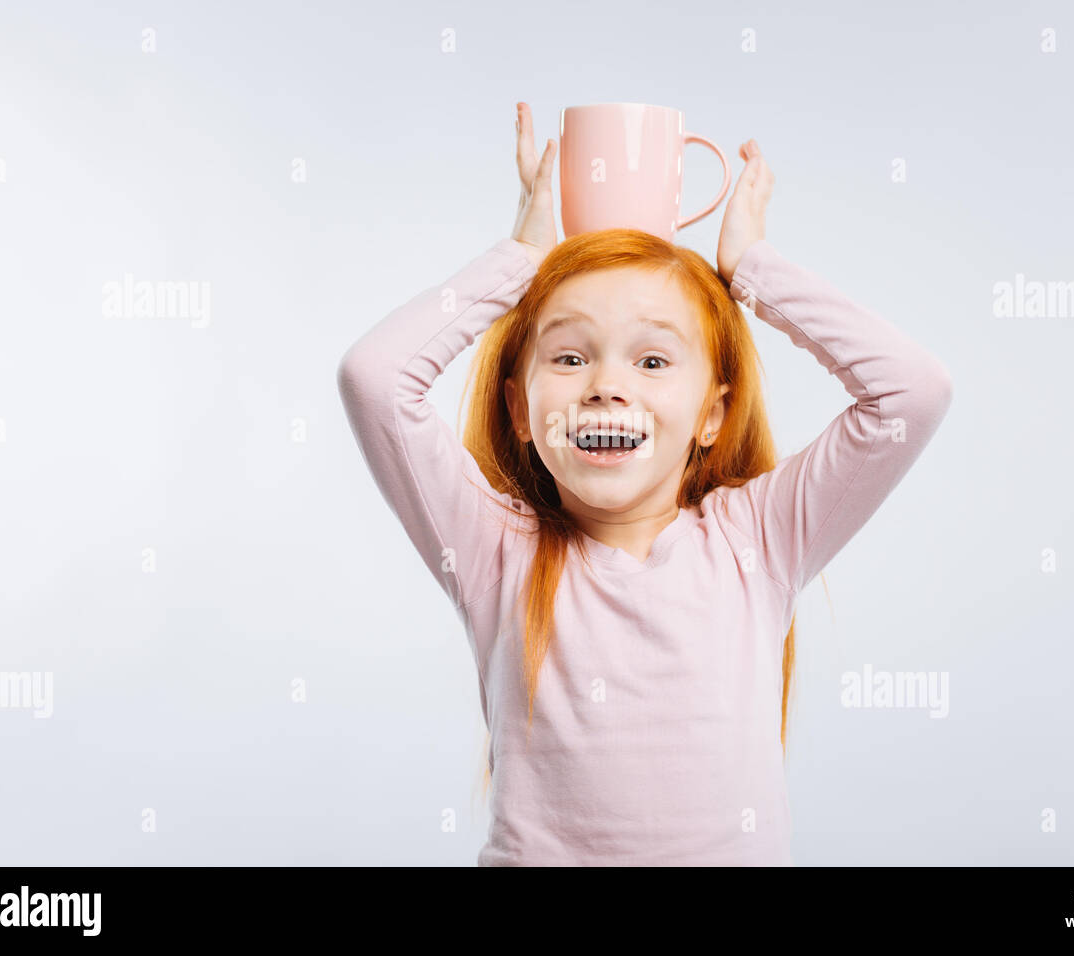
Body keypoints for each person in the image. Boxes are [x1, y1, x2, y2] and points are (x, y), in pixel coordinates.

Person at [336, 102, 953, 865]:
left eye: (653, 361)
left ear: (711, 415)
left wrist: (751, 271)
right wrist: (523, 258)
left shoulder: (757, 539)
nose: (606, 387)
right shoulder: (494, 549)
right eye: (569, 358)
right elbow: (374, 378)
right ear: (520, 409)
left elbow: (911, 392)